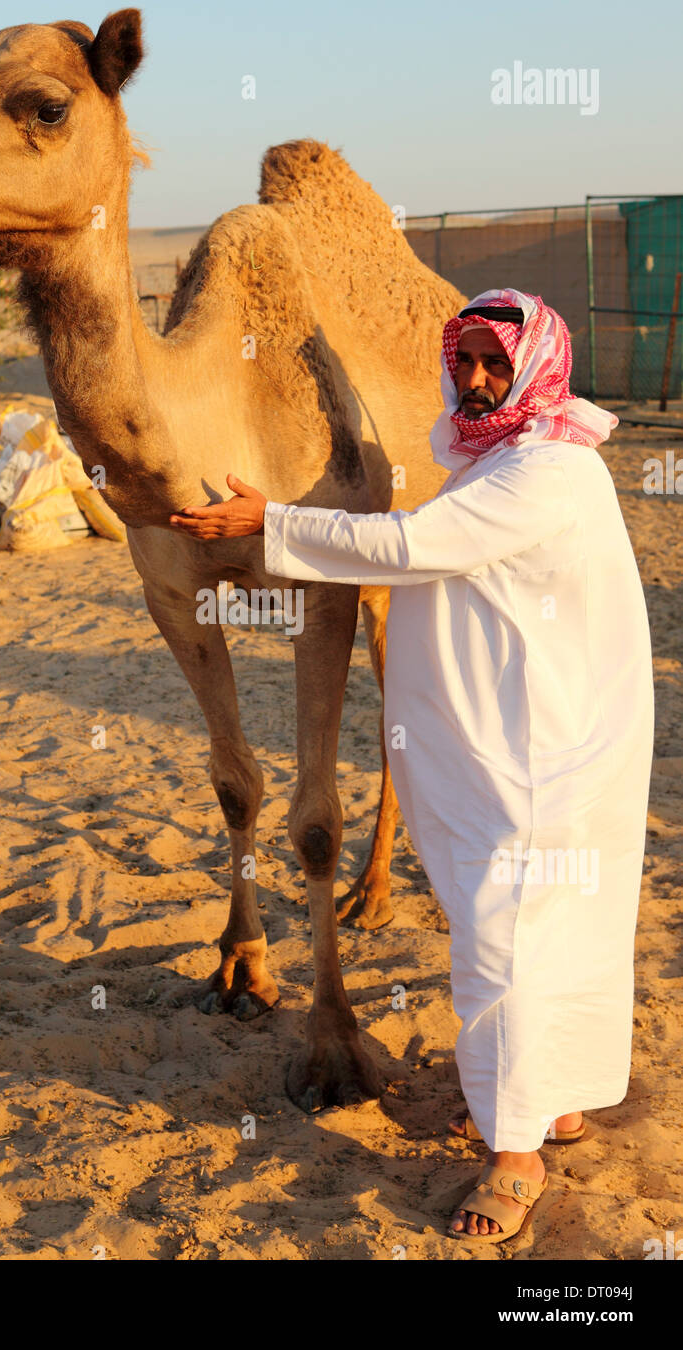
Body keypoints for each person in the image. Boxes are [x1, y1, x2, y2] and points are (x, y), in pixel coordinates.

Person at [169, 288, 654, 1244]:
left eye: (492, 362)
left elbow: (411, 546)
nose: (472, 379)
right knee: (550, 932)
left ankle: (515, 1160)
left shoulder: (548, 471)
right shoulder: (506, 457)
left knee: (502, 941)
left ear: (536, 365)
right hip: (523, 744)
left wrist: (271, 526)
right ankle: (549, 1100)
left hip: (538, 757)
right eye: (462, 360)